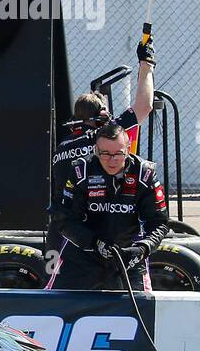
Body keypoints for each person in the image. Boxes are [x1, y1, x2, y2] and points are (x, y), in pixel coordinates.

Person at [48, 123, 169, 292]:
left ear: (128, 149)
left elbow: (159, 222)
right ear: (96, 150)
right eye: (105, 154)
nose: (112, 160)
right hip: (83, 256)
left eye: (118, 154)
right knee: (56, 307)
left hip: (128, 257)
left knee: (142, 310)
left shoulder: (144, 173)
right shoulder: (80, 171)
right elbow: (64, 219)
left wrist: (143, 248)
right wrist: (94, 242)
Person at [48, 35, 156, 223]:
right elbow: (144, 106)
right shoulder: (102, 137)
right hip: (95, 225)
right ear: (101, 118)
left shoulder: (62, 145)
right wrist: (146, 63)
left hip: (62, 225)